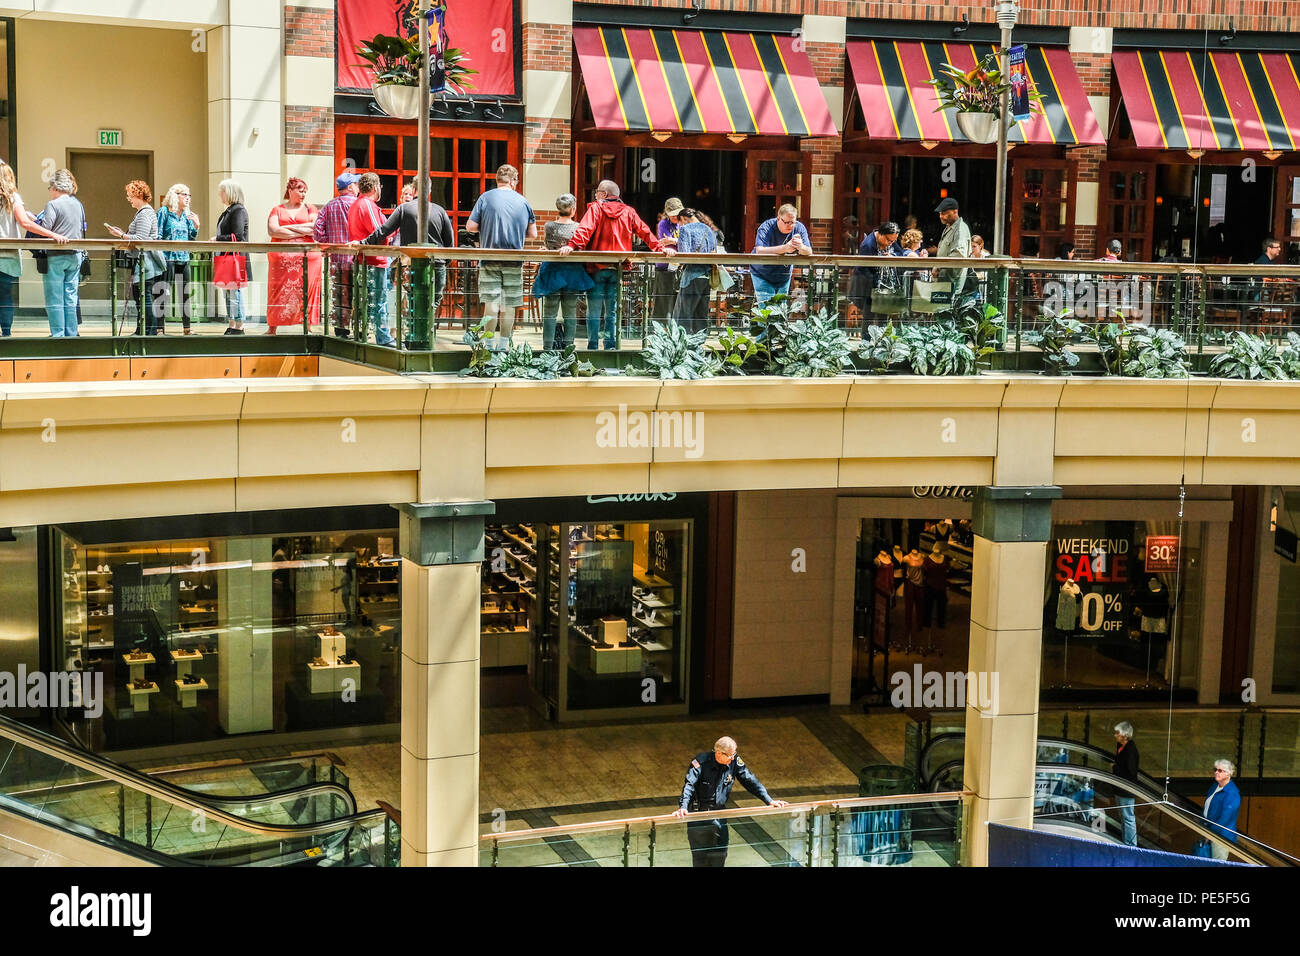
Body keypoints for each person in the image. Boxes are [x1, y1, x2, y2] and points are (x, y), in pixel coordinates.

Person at [559, 178, 667, 350]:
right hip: (617, 268)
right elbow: (644, 231)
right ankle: (611, 347)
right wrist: (660, 248)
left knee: (594, 311)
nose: (595, 195)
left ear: (604, 194)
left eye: (597, 193)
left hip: (596, 267)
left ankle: (593, 346)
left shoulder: (596, 208)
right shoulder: (629, 211)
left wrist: (571, 245)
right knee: (613, 312)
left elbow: (584, 230)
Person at [360, 176, 455, 347]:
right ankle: (425, 340)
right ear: (430, 190)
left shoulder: (404, 209)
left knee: (413, 301)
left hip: (411, 264)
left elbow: (383, 231)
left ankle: (415, 339)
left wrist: (362, 243)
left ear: (414, 189)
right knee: (431, 303)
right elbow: (450, 244)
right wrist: (443, 262)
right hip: (437, 264)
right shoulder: (440, 211)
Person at [672, 736, 787, 867]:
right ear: (719, 753)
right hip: (699, 815)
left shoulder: (734, 761)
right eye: (730, 755)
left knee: (720, 855)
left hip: (720, 814)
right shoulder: (701, 762)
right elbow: (689, 785)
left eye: (734, 754)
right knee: (700, 859)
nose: (732, 758)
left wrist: (769, 800)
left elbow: (750, 781)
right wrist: (683, 806)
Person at [467, 164, 537, 350]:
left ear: (498, 179)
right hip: (514, 260)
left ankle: (488, 345)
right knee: (509, 305)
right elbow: (533, 234)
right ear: (513, 181)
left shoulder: (485, 198)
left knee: (491, 303)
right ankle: (504, 346)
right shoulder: (523, 202)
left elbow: (470, 226)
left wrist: (487, 226)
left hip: (489, 257)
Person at [0, 160, 67, 336]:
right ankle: (6, 333)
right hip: (7, 256)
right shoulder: (13, 198)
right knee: (5, 296)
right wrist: (51, 234)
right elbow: (25, 223)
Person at [531, 193, 591, 349]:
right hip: (572, 273)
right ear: (573, 209)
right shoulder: (578, 227)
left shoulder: (549, 226)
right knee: (570, 313)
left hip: (552, 271)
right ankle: (568, 348)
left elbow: (549, 245)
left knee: (549, 313)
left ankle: (548, 348)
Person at [107, 180, 166, 335]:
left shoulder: (145, 213)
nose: (129, 199)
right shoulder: (144, 212)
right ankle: (144, 330)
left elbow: (140, 238)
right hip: (144, 262)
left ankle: (148, 331)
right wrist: (124, 234)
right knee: (142, 297)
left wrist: (120, 234)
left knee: (143, 297)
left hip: (145, 263)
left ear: (139, 195)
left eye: (130, 196)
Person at [266, 176, 321, 334]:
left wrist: (289, 228)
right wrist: (300, 229)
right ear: (290, 190)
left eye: (305, 191)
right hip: (281, 262)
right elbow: (273, 230)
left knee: (307, 290)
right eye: (300, 190)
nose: (303, 194)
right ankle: (272, 326)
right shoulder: (277, 209)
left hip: (306, 260)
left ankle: (308, 325)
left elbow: (313, 229)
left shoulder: (310, 209)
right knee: (277, 290)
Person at [346, 172, 396, 346]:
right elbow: (379, 232)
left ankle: (362, 333)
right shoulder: (367, 204)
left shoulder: (356, 205)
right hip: (375, 259)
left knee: (365, 300)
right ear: (375, 187)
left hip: (364, 259)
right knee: (379, 300)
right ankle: (383, 337)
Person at [314, 172, 360, 338]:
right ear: (349, 187)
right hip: (356, 257)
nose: (358, 187)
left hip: (336, 258)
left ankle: (341, 329)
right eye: (356, 184)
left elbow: (318, 230)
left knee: (340, 293)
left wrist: (329, 245)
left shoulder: (329, 205)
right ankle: (359, 329)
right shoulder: (358, 204)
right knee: (358, 294)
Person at [156, 184, 200, 334]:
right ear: (175, 195)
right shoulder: (164, 212)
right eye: (184, 195)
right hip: (168, 259)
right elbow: (158, 236)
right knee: (163, 293)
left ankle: (187, 328)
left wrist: (196, 225)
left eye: (189, 195)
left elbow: (191, 238)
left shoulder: (188, 215)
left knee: (185, 294)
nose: (188, 198)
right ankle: (159, 328)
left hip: (183, 258)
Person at [750, 203, 812, 305]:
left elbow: (809, 251)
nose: (790, 226)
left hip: (784, 275)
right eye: (787, 222)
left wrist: (801, 247)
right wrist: (785, 248)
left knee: (780, 310)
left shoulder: (799, 228)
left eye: (793, 222)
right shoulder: (766, 227)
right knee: (766, 310)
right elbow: (760, 251)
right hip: (762, 274)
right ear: (778, 218)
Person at [671, 207, 717, 333]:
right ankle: (699, 344)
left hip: (691, 277)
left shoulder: (685, 230)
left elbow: (683, 256)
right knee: (701, 315)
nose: (680, 226)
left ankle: (683, 345)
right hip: (706, 277)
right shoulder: (709, 230)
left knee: (684, 314)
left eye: (680, 222)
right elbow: (715, 253)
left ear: (684, 219)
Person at [213, 179, 249, 335]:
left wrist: (217, 239)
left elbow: (238, 236)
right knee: (227, 292)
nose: (220, 194)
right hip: (226, 257)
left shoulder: (238, 210)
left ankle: (239, 325)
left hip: (235, 258)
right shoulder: (228, 211)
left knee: (234, 292)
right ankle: (232, 322)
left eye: (222, 191)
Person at [851, 221, 900, 324]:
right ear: (881, 234)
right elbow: (864, 269)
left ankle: (882, 339)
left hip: (884, 287)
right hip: (868, 287)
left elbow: (901, 252)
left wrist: (893, 256)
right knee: (868, 317)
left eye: (893, 241)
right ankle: (866, 340)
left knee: (883, 317)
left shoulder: (890, 239)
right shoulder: (867, 245)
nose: (890, 243)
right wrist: (877, 287)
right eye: (889, 240)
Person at [1201, 759, 1241, 860]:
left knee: (1218, 862)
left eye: (1220, 770)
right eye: (1215, 769)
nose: (1216, 772)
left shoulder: (1232, 793)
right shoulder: (1215, 786)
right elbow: (1207, 807)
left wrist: (1209, 834)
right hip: (1209, 831)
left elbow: (1225, 819)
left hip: (1221, 836)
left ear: (1229, 774)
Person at [934, 197, 971, 304]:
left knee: (946, 314)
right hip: (944, 282)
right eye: (940, 213)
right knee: (939, 312)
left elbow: (958, 256)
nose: (941, 216)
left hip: (952, 284)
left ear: (955, 211)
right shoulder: (949, 227)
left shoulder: (960, 229)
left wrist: (938, 267)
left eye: (945, 213)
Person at [1110, 721, 1140, 847]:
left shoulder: (1131, 751)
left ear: (1125, 735)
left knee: (1128, 817)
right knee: (1124, 816)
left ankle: (1130, 844)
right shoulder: (1120, 746)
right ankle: (1126, 842)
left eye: (1117, 733)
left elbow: (1130, 772)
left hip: (1126, 790)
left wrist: (1115, 768)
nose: (1115, 735)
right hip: (1119, 788)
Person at [654, 198, 683, 319]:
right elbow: (664, 242)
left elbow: (686, 243)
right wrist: (678, 242)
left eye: (678, 214)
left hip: (680, 265)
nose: (676, 217)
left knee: (678, 301)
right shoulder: (663, 224)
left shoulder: (683, 223)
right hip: (664, 267)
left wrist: (674, 240)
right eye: (673, 215)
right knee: (664, 302)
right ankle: (662, 329)